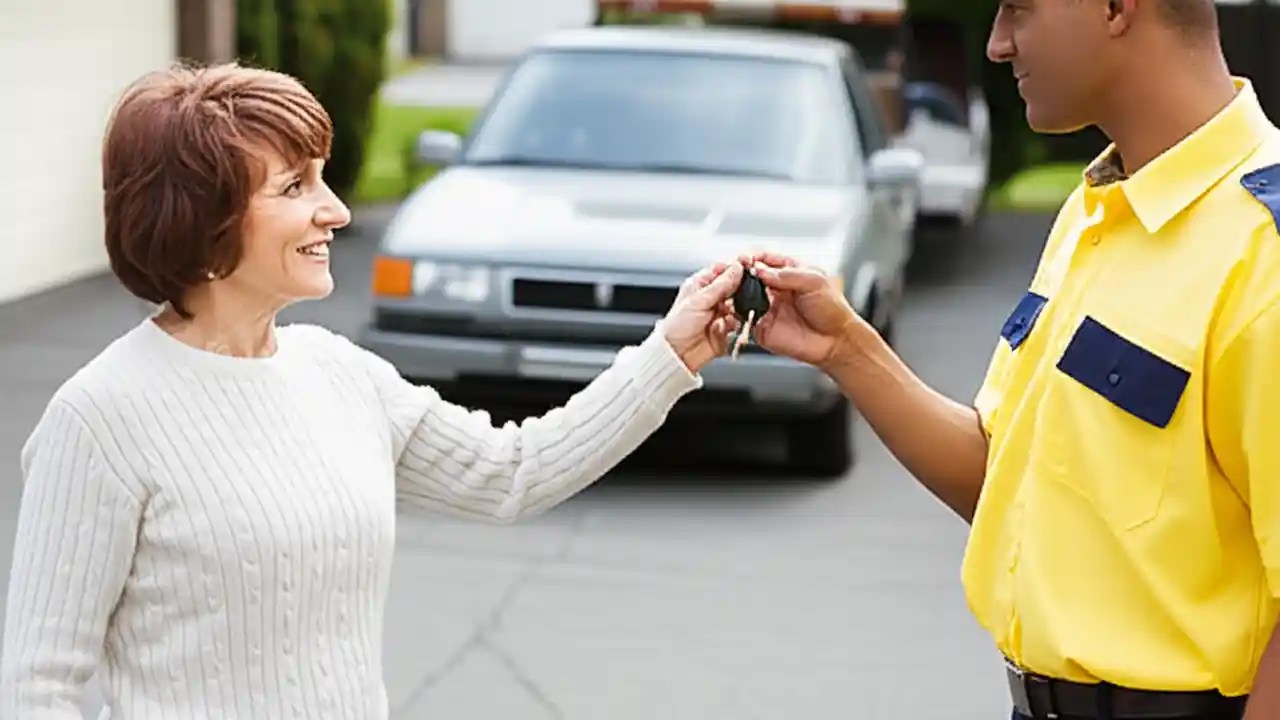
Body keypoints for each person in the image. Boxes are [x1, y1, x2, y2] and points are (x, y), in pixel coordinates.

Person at [0, 62, 746, 718]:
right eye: (296, 187)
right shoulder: (99, 418)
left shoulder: (338, 373)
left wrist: (671, 351)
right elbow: (37, 688)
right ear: (202, 218)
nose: (338, 211)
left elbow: (514, 472)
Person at [741, 0, 1280, 718]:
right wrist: (845, 348)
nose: (996, 44)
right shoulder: (1099, 208)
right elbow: (1009, 485)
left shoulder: (1264, 252)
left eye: (1018, 8)